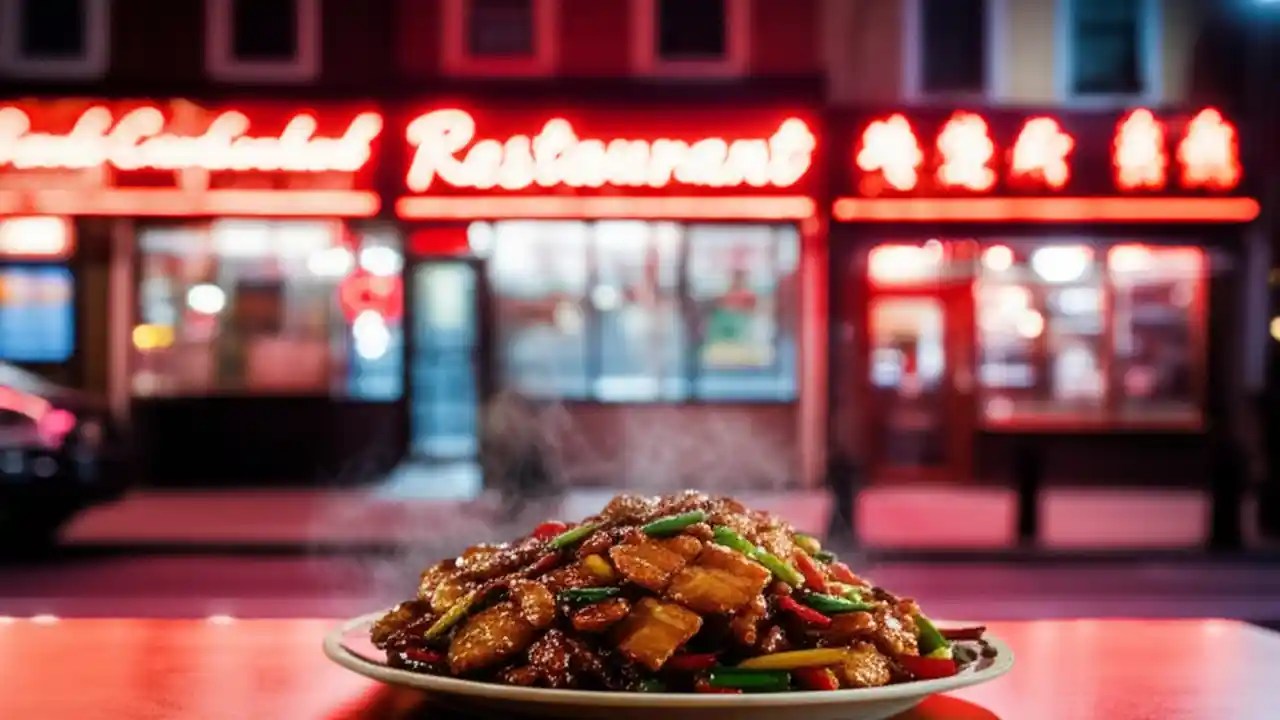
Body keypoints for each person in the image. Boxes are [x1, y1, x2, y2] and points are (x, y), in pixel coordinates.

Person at [480, 388, 560, 521]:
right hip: (522, 500)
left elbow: (551, 483)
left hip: (537, 497)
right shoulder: (502, 440)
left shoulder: (533, 443)